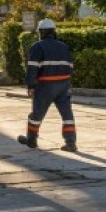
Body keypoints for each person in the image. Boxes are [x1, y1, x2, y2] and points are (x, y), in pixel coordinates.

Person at [18, 19, 77, 152]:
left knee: (37, 115)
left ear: (42, 32)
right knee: (67, 115)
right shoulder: (64, 46)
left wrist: (30, 86)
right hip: (64, 85)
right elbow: (71, 67)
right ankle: (71, 142)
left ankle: (31, 140)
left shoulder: (37, 47)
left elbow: (32, 69)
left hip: (45, 86)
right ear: (53, 32)